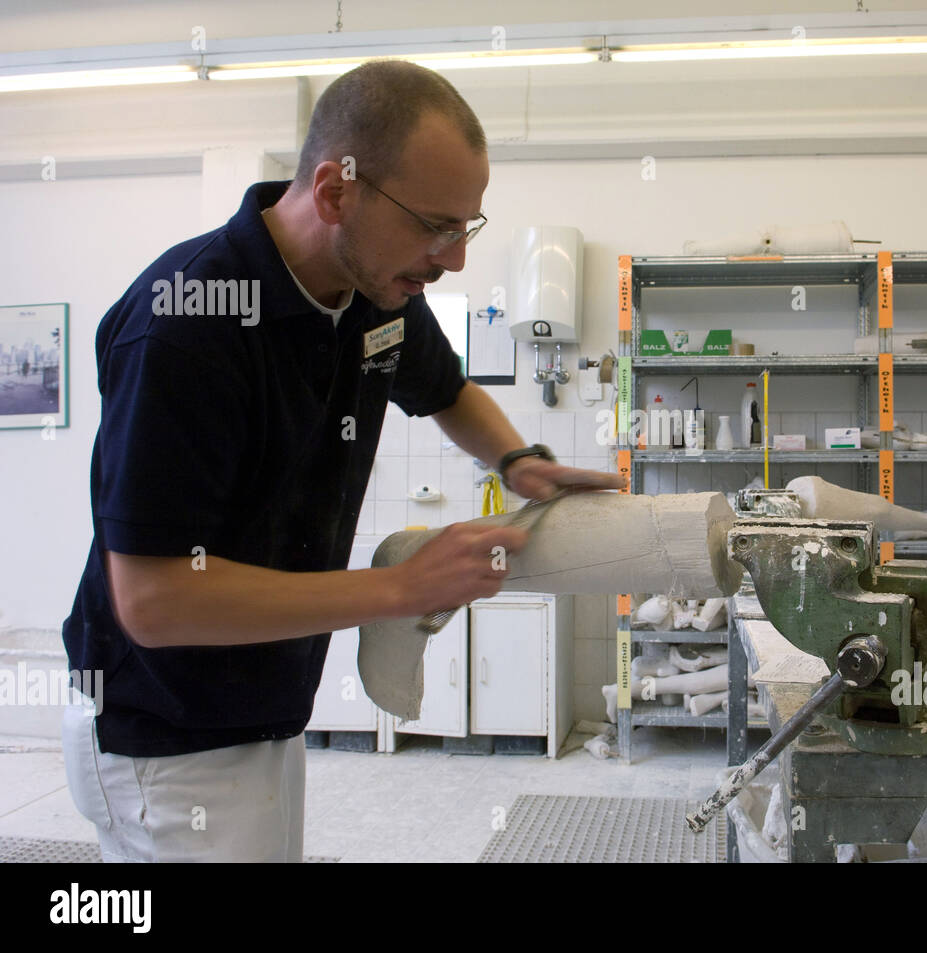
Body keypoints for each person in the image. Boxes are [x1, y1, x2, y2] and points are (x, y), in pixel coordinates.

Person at [61, 59, 622, 862]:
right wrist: (400, 588)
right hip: (163, 733)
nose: (453, 257)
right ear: (335, 191)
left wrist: (517, 458)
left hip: (260, 712)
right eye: (434, 224)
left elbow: (447, 389)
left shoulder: (377, 293)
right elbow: (153, 598)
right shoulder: (185, 326)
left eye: (467, 226)